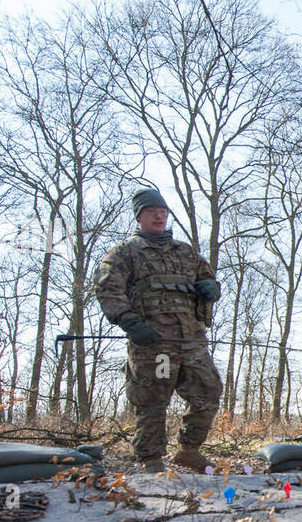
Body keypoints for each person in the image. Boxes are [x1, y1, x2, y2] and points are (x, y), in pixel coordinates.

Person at [94, 188, 222, 473]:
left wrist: (211, 289)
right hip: (155, 345)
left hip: (190, 342)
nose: (159, 216)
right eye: (152, 212)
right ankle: (151, 459)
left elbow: (210, 280)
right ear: (139, 216)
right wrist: (130, 322)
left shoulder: (186, 253)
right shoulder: (125, 253)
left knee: (209, 391)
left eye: (163, 212)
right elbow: (107, 289)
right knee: (153, 399)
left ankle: (188, 450)